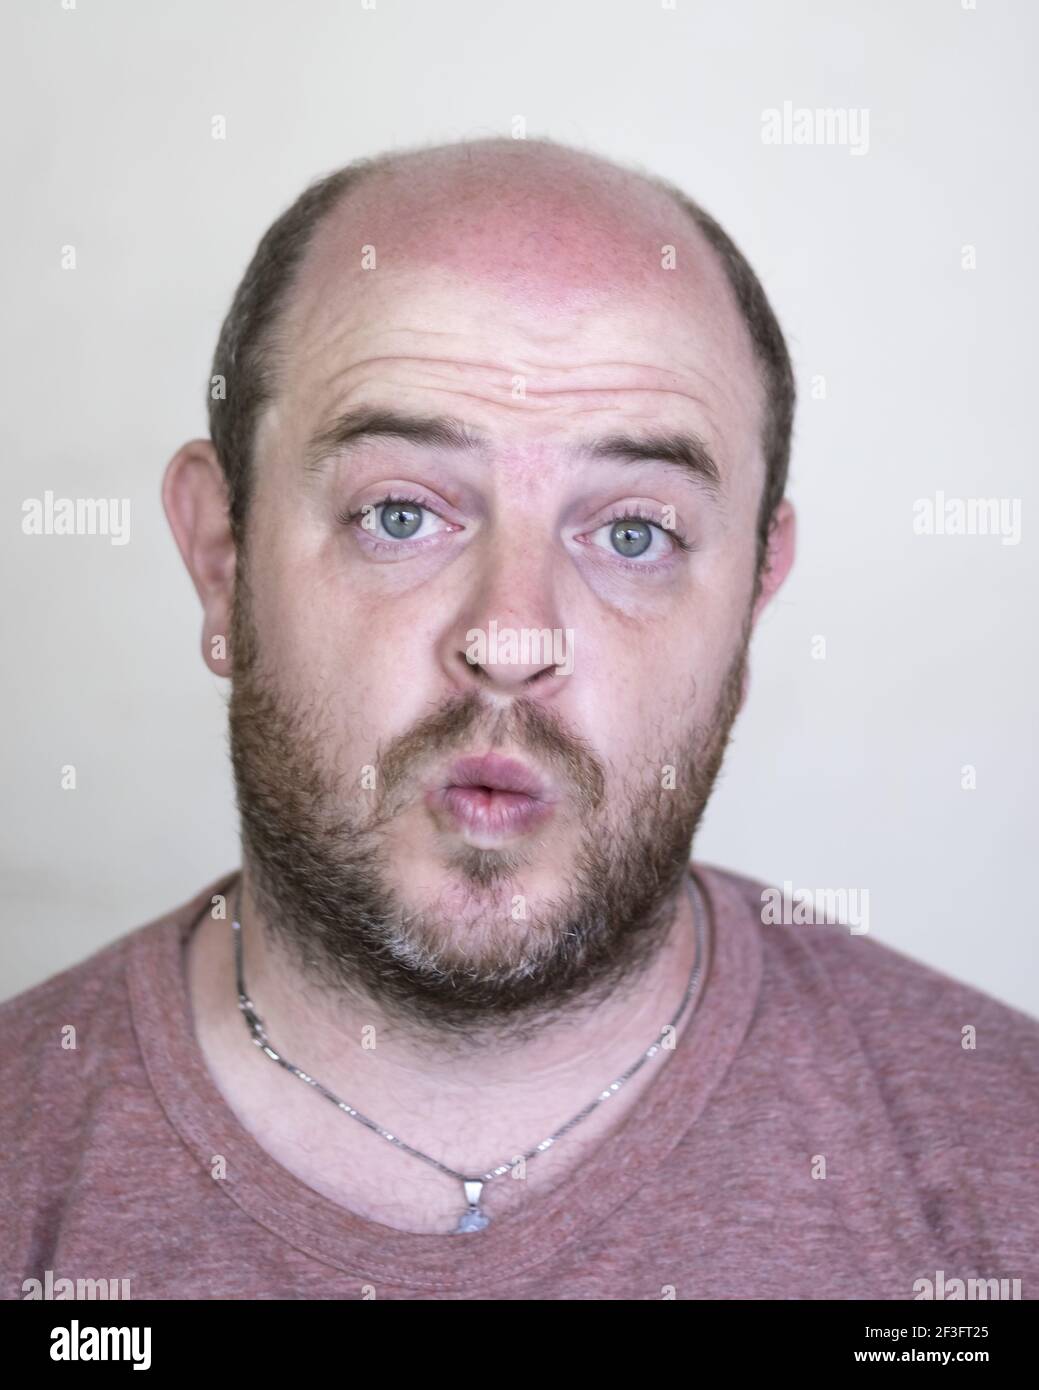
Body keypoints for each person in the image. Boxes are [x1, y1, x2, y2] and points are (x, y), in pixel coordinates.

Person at [2, 136, 1035, 1301]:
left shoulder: (1009, 1175)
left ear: (751, 596)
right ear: (220, 558)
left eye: (633, 533)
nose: (513, 638)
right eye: (399, 513)